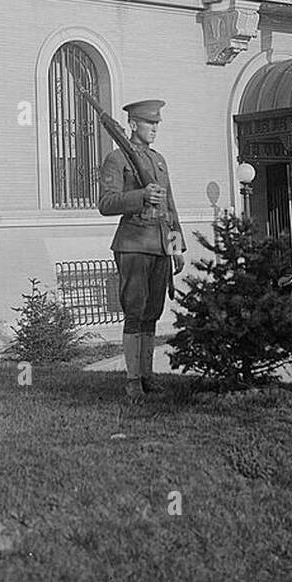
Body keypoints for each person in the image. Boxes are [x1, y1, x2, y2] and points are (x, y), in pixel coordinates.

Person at [98, 99, 186, 400]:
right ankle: (133, 380)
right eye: (150, 123)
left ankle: (147, 376)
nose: (155, 128)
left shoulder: (159, 160)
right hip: (133, 244)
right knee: (135, 312)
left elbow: (170, 206)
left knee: (152, 313)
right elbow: (106, 204)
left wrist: (176, 247)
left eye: (158, 123)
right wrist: (140, 196)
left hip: (160, 244)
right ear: (133, 124)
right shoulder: (117, 159)